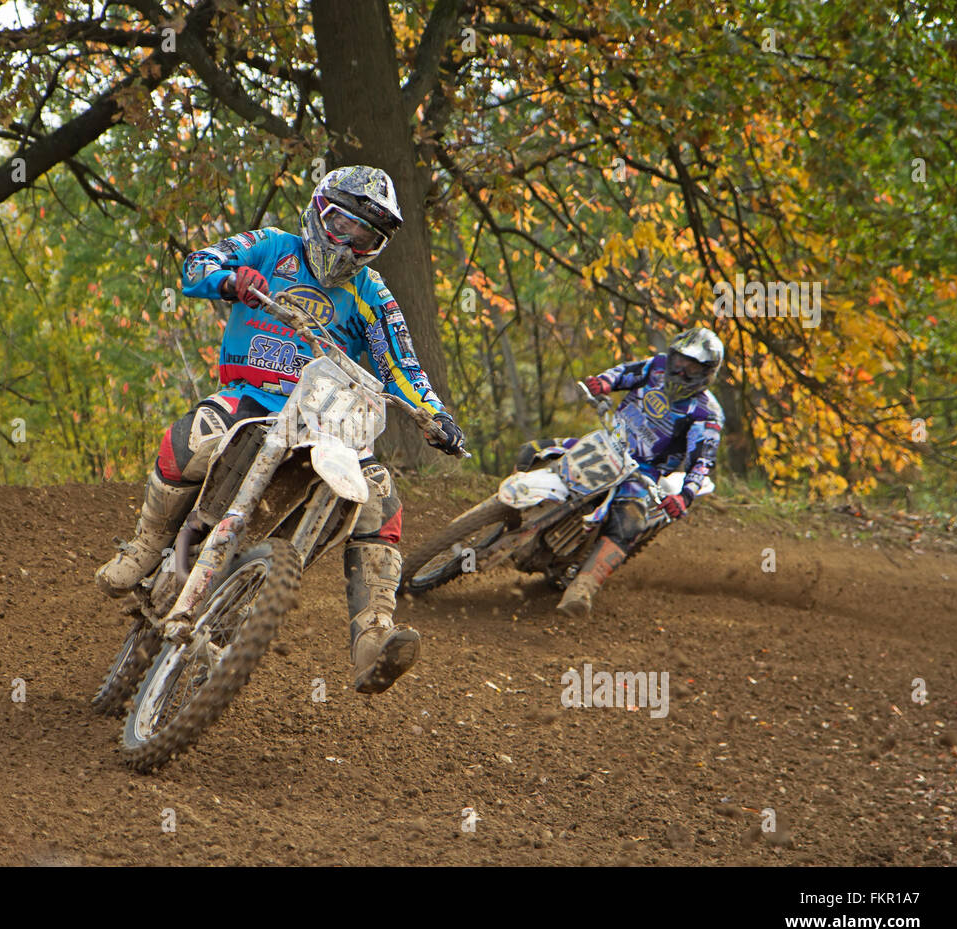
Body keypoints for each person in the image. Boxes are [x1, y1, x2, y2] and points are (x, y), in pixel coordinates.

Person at [98, 165, 466, 693]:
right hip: (252, 400)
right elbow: (197, 264)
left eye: (366, 237)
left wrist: (435, 415)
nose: (350, 244)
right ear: (319, 212)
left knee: (381, 498)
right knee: (197, 432)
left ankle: (372, 638)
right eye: (344, 226)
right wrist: (229, 279)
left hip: (331, 427)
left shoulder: (371, 292)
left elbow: (400, 364)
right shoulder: (271, 246)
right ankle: (145, 545)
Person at [513, 328, 725, 617]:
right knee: (532, 451)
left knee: (628, 522)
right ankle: (510, 522)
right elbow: (624, 372)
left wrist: (686, 496)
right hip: (606, 444)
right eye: (680, 361)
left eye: (692, 367)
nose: (681, 369)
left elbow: (702, 460)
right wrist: (603, 382)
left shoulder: (706, 412)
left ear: (707, 372)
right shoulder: (657, 366)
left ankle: (583, 589)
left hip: (642, 472)